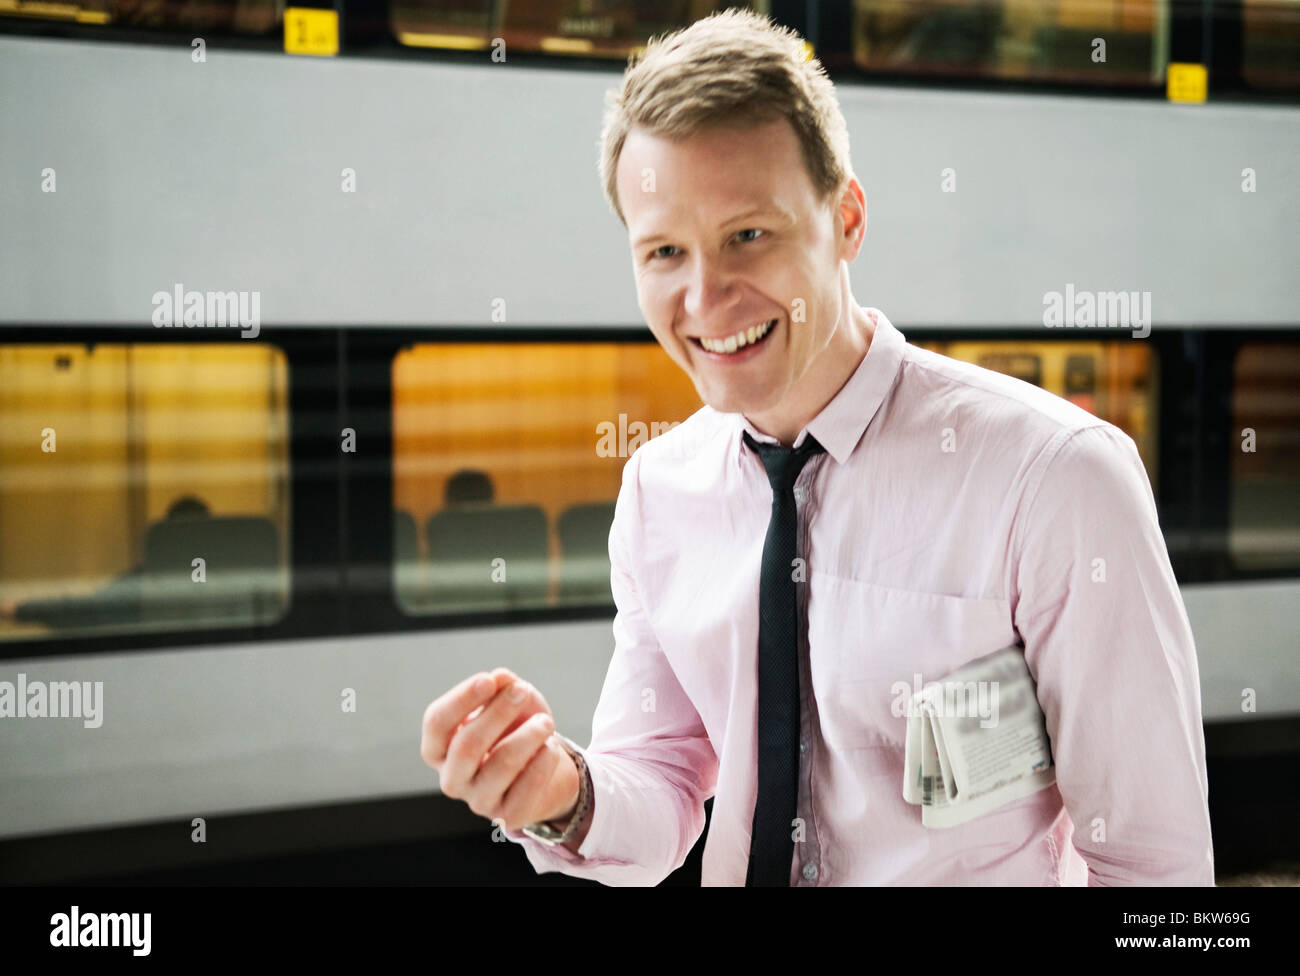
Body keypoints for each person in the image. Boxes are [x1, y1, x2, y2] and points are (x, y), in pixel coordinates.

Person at [419, 8, 1214, 886]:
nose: (705, 297)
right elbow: (663, 788)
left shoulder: (1056, 479)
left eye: (747, 236)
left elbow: (1157, 873)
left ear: (848, 219)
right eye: (664, 252)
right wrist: (560, 794)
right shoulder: (658, 491)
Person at [0, 496, 211, 630]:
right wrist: (21, 610)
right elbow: (89, 610)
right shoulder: (148, 583)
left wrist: (21, 610)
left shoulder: (150, 583)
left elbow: (89, 610)